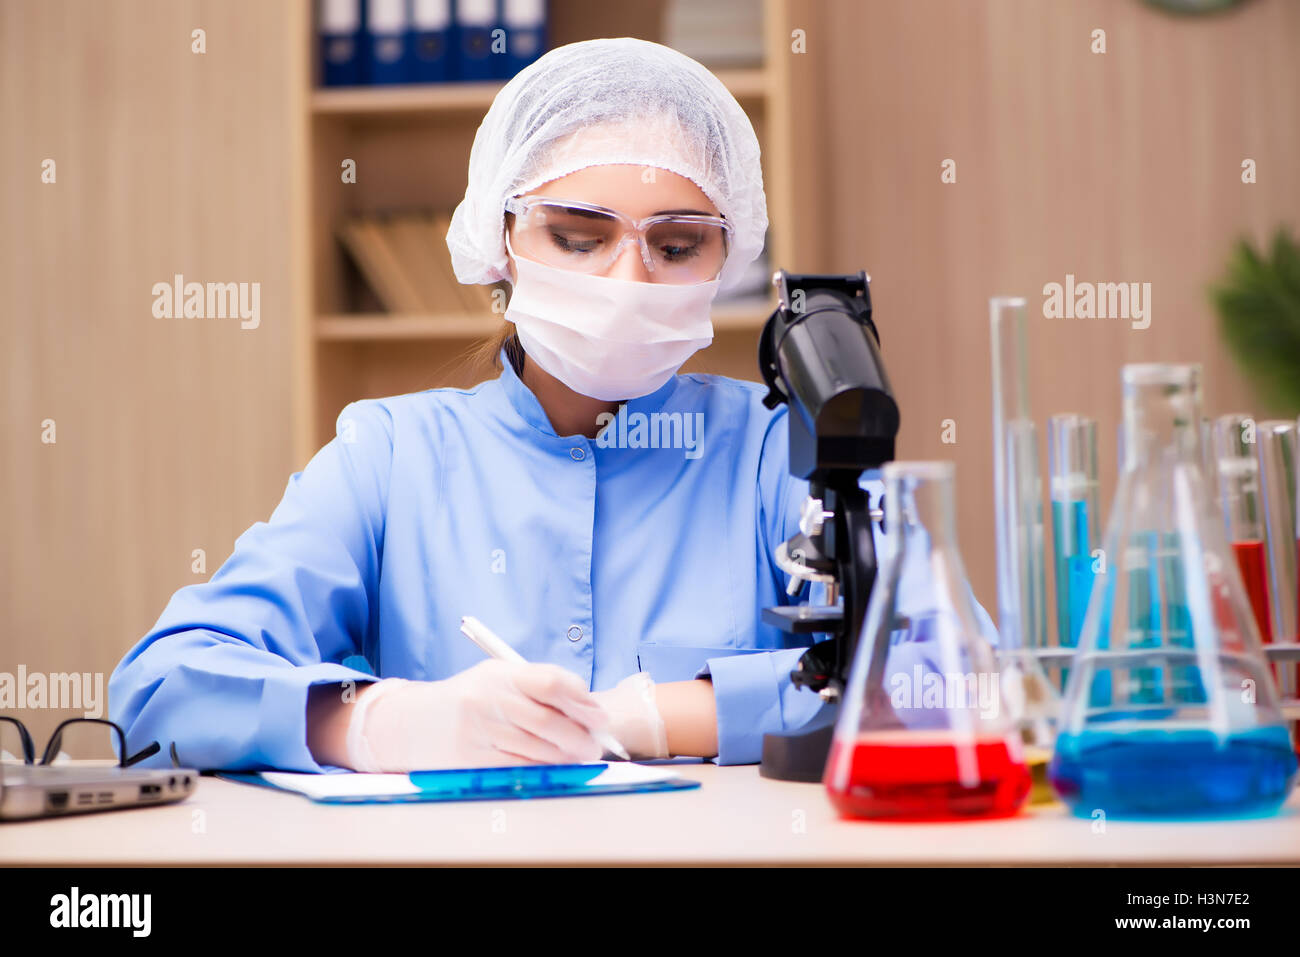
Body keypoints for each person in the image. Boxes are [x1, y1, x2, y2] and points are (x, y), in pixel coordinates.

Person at [109, 37, 996, 773]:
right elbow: (157, 693)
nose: (628, 279)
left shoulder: (776, 453)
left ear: (727, 264)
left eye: (678, 245)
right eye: (578, 236)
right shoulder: (391, 457)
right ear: (499, 242)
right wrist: (380, 722)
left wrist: (659, 716)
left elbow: (955, 671)